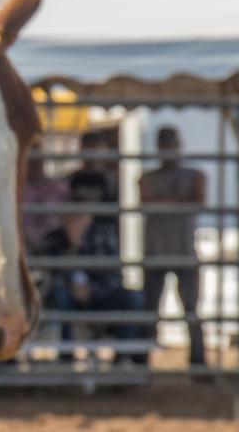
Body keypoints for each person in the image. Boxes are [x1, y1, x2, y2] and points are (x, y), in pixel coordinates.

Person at [41, 186, 145, 344]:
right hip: (68, 298)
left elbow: (114, 275)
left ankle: (124, 354)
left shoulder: (104, 235)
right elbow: (49, 276)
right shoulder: (54, 239)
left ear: (89, 217)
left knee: (134, 297)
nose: (75, 220)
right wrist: (72, 246)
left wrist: (92, 290)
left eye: (80, 215)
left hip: (100, 295)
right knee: (60, 295)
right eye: (71, 215)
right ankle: (67, 356)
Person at [139, 126, 206, 366]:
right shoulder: (148, 177)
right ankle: (141, 363)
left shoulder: (193, 175)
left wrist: (164, 203)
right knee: (149, 311)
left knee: (190, 310)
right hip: (156, 251)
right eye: (164, 144)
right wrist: (180, 202)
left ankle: (198, 362)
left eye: (171, 144)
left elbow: (198, 201)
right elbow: (146, 200)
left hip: (183, 251)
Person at [22, 143, 70, 255]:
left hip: (57, 248)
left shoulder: (60, 187)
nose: (35, 165)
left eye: (38, 160)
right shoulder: (17, 190)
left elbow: (69, 219)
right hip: (26, 249)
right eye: (30, 161)